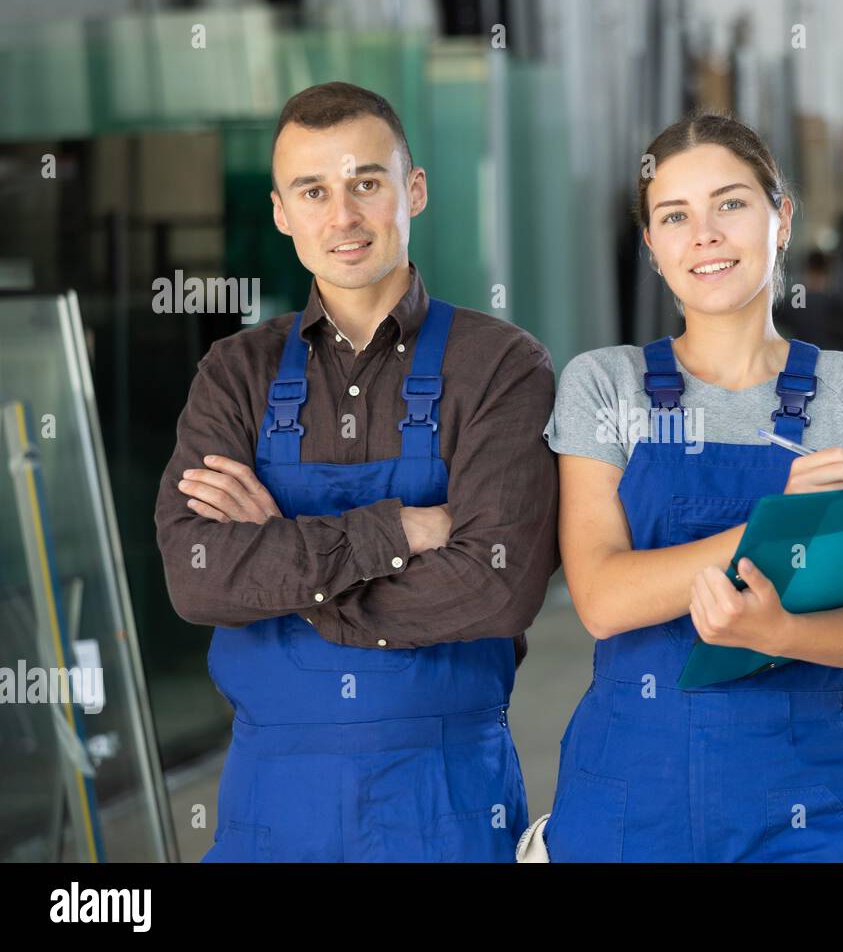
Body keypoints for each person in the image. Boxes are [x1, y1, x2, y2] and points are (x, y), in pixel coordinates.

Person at [154, 82, 559, 862]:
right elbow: (198, 579)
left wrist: (282, 564)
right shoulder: (234, 373)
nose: (342, 217)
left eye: (366, 183)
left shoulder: (501, 367)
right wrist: (399, 530)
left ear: (414, 190)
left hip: (448, 803)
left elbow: (499, 587)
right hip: (268, 809)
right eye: (314, 190)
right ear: (282, 212)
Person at [540, 112, 843, 862]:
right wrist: (776, 523)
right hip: (626, 800)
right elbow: (602, 598)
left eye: (730, 203)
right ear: (653, 247)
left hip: (800, 804)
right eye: (674, 216)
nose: (705, 235)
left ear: (780, 217)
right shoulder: (603, 384)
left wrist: (781, 634)